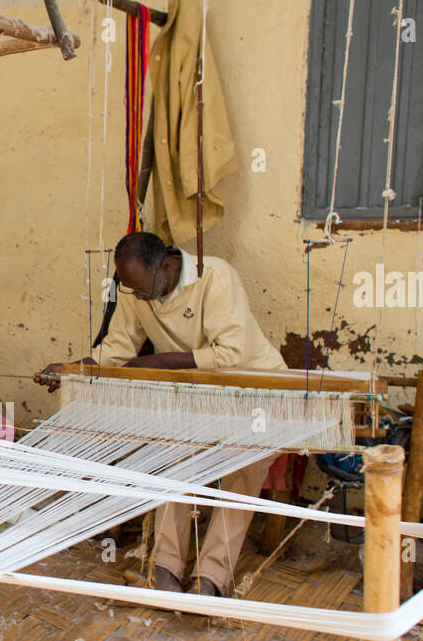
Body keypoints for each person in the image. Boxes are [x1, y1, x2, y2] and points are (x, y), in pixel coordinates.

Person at [34, 231, 286, 600]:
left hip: (261, 393)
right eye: (132, 291)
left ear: (167, 267)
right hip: (197, 399)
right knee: (173, 457)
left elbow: (229, 354)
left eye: (144, 289)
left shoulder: (215, 277)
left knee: (244, 466)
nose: (139, 298)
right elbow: (118, 346)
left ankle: (210, 578)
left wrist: (160, 361)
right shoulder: (139, 293)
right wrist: (76, 368)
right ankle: (165, 569)